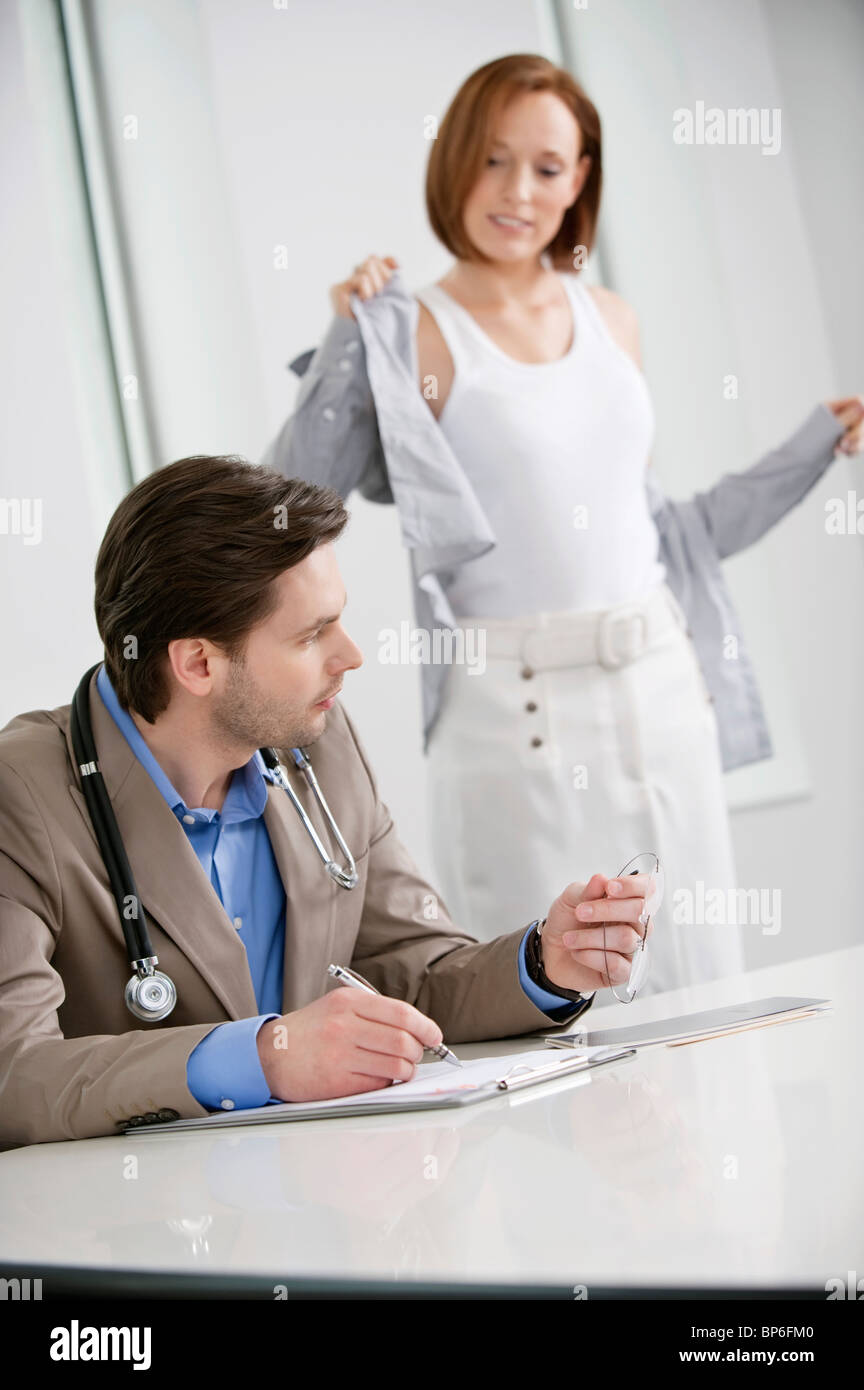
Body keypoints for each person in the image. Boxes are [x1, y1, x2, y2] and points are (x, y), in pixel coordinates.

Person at [262, 52, 862, 995]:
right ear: (455, 160)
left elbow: (669, 534)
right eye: (494, 160)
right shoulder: (413, 329)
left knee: (699, 981)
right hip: (513, 709)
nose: (517, 192)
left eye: (548, 167)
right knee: (541, 999)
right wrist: (350, 338)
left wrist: (811, 448)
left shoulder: (612, 319)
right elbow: (292, 501)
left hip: (660, 683)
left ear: (580, 179)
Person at [0, 455, 654, 1148]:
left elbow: (417, 973)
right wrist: (266, 1057)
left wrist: (544, 964)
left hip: (325, 1193)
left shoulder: (318, 744)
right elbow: (15, 1075)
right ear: (197, 663)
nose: (351, 655)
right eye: (312, 635)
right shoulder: (24, 795)